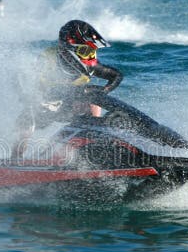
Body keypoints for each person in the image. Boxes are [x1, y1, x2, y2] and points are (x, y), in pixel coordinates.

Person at [14, 20, 123, 156]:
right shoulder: (48, 60)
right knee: (25, 124)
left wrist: (104, 91)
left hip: (72, 107)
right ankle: (14, 162)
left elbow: (117, 76)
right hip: (44, 107)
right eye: (86, 50)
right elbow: (22, 77)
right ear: (68, 49)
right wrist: (26, 95)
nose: (90, 57)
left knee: (94, 99)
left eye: (92, 51)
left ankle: (87, 149)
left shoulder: (89, 65)